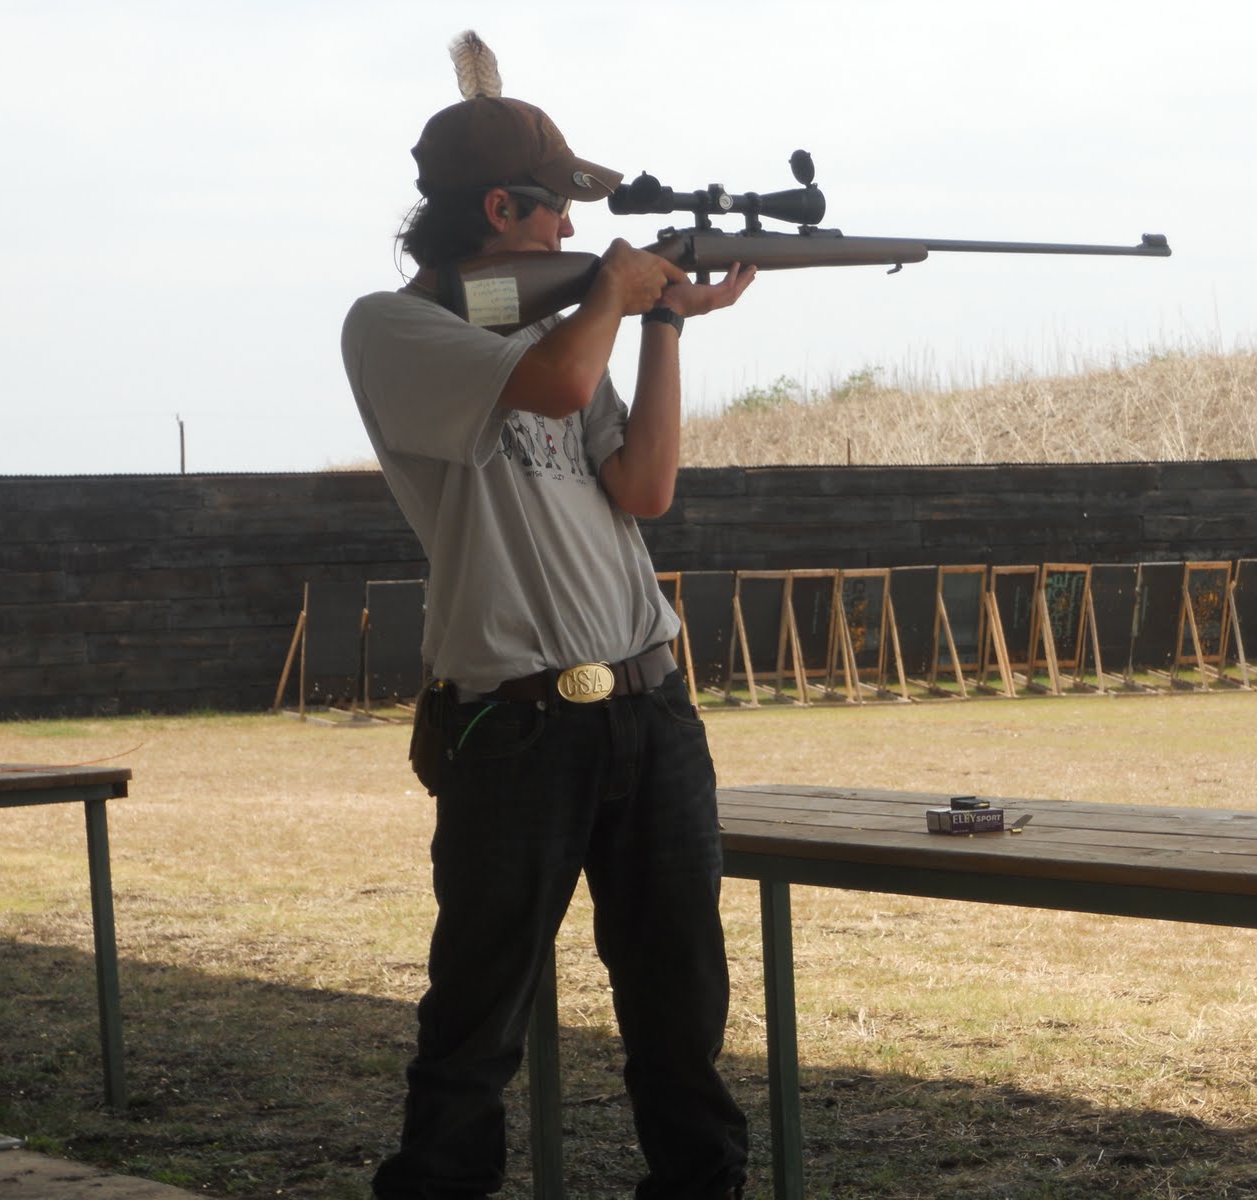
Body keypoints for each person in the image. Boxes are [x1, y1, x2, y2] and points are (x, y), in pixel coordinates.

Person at [340, 31, 755, 1200]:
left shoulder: (569, 325)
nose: (573, 234)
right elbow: (560, 385)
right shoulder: (393, 325)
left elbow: (645, 491)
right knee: (478, 1012)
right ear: (501, 209)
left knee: (681, 998)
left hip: (649, 704)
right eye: (556, 217)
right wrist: (615, 297)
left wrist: (662, 318)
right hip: (512, 725)